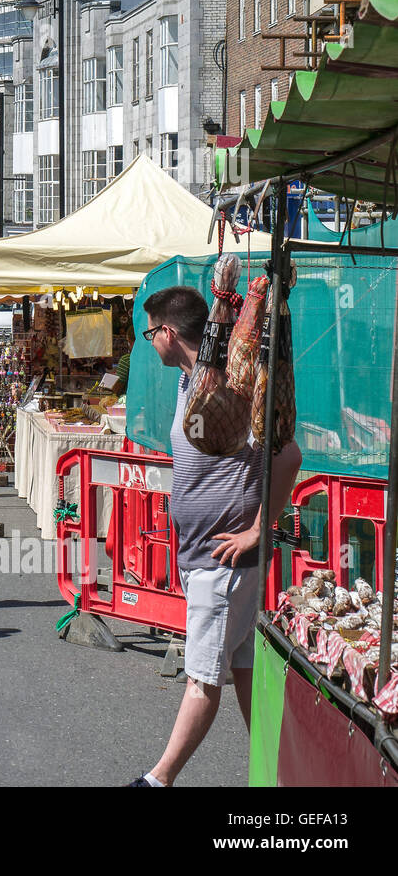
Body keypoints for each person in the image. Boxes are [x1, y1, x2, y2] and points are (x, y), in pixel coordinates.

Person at [128, 286, 301, 788]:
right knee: (243, 667)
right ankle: (278, 770)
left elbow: (288, 455)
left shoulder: (231, 384)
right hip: (205, 558)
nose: (149, 343)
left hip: (221, 561)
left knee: (203, 679)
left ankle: (158, 781)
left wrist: (256, 530)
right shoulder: (195, 381)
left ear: (165, 332)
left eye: (148, 333)